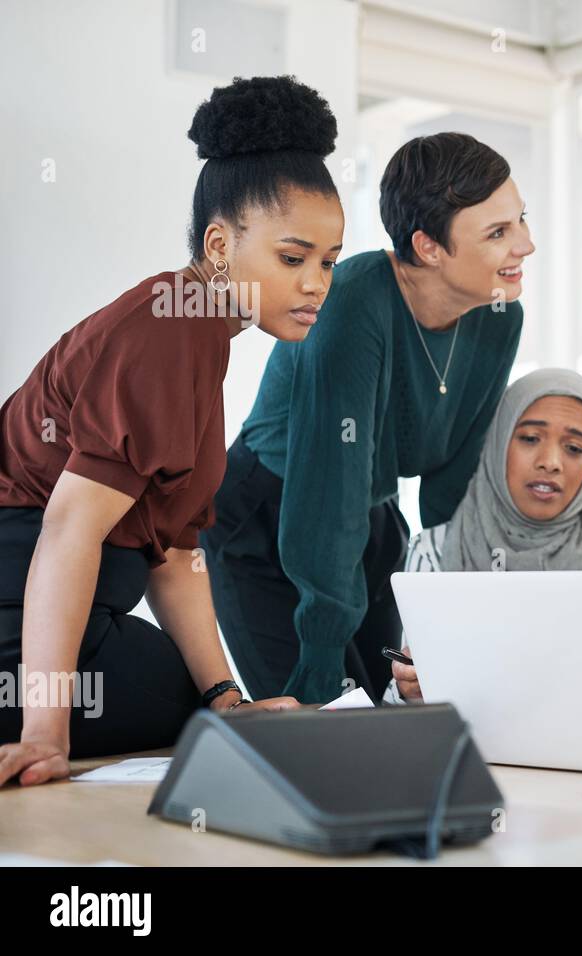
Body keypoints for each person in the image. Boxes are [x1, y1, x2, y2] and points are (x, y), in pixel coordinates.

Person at [0, 74, 340, 784]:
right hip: (19, 596)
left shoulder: (199, 333)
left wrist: (225, 698)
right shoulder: (167, 327)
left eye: (328, 262)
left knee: (189, 704)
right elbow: (68, 529)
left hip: (71, 604)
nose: (316, 283)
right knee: (165, 700)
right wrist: (45, 732)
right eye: (293, 257)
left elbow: (177, 556)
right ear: (219, 245)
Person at [203, 132, 535, 705]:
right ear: (428, 247)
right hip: (268, 515)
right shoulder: (352, 304)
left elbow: (453, 486)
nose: (526, 245)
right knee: (319, 717)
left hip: (367, 513)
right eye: (498, 232)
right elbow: (327, 490)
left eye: (521, 220)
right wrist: (319, 667)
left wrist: (452, 618)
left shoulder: (500, 315)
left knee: (388, 708)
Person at [385, 369, 582, 703]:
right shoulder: (433, 550)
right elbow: (405, 694)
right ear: (498, 441)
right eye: (530, 438)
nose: (551, 462)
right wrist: (407, 690)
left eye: (574, 448)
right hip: (457, 736)